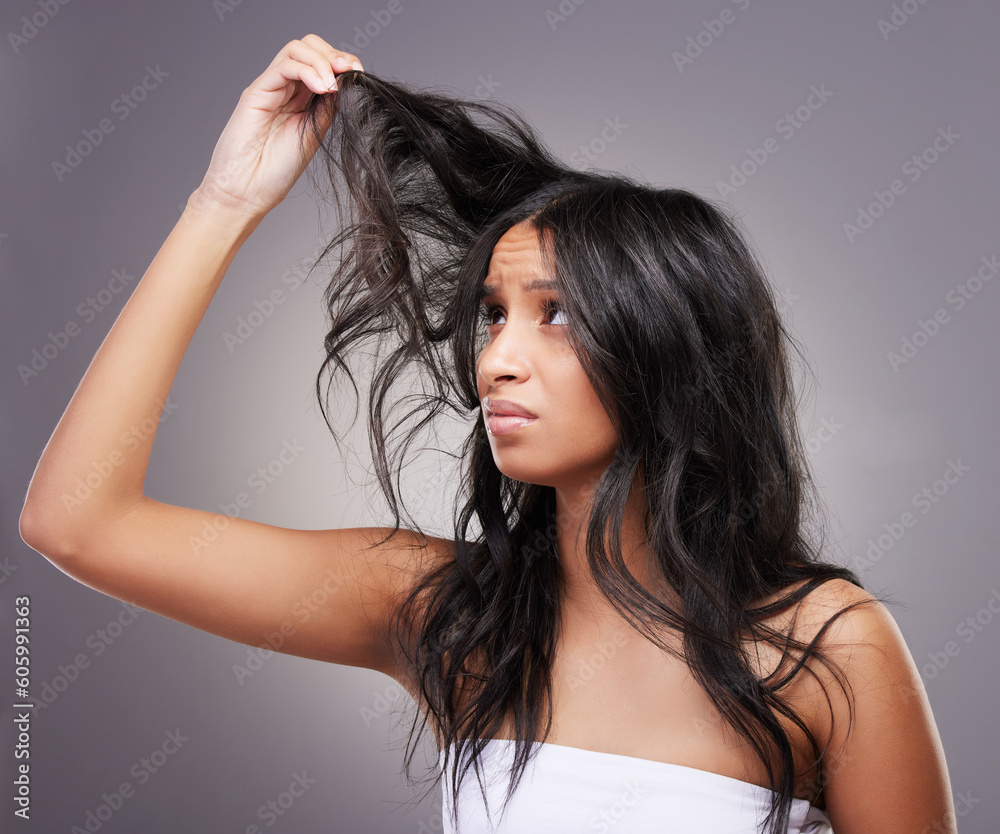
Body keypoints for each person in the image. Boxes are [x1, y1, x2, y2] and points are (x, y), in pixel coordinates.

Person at [19, 34, 956, 834]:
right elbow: (77, 520)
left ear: (668, 346)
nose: (496, 361)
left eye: (555, 315)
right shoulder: (450, 617)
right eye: (494, 316)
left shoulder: (825, 647)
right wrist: (223, 203)